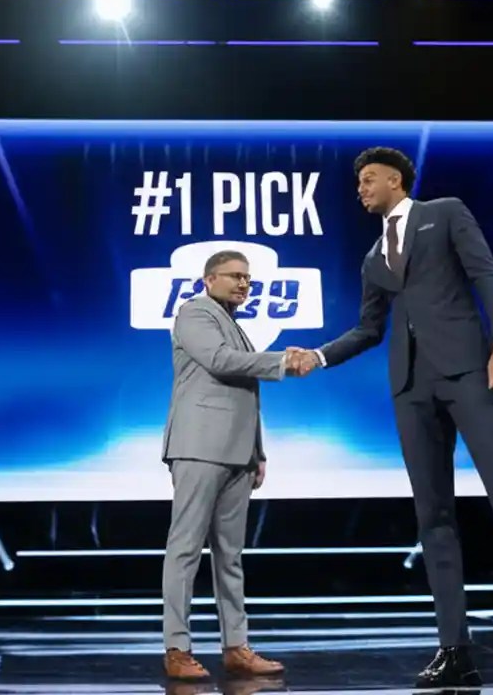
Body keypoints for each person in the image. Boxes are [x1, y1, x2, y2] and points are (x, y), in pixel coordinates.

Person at [289, 147, 493, 687]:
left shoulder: (445, 212)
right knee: (432, 517)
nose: (360, 189)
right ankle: (454, 648)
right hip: (411, 389)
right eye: (358, 183)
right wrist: (318, 357)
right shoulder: (373, 259)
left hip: (468, 372)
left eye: (368, 180)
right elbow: (369, 329)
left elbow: (487, 276)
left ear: (396, 179)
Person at [160, 249, 299, 681]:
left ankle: (236, 646)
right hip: (199, 446)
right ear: (208, 279)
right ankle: (177, 648)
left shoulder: (235, 325)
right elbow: (220, 362)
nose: (244, 284)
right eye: (235, 276)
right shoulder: (194, 313)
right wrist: (283, 360)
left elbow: (244, 396)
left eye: (248, 279)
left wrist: (257, 453)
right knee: (184, 551)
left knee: (230, 557)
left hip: (238, 454)